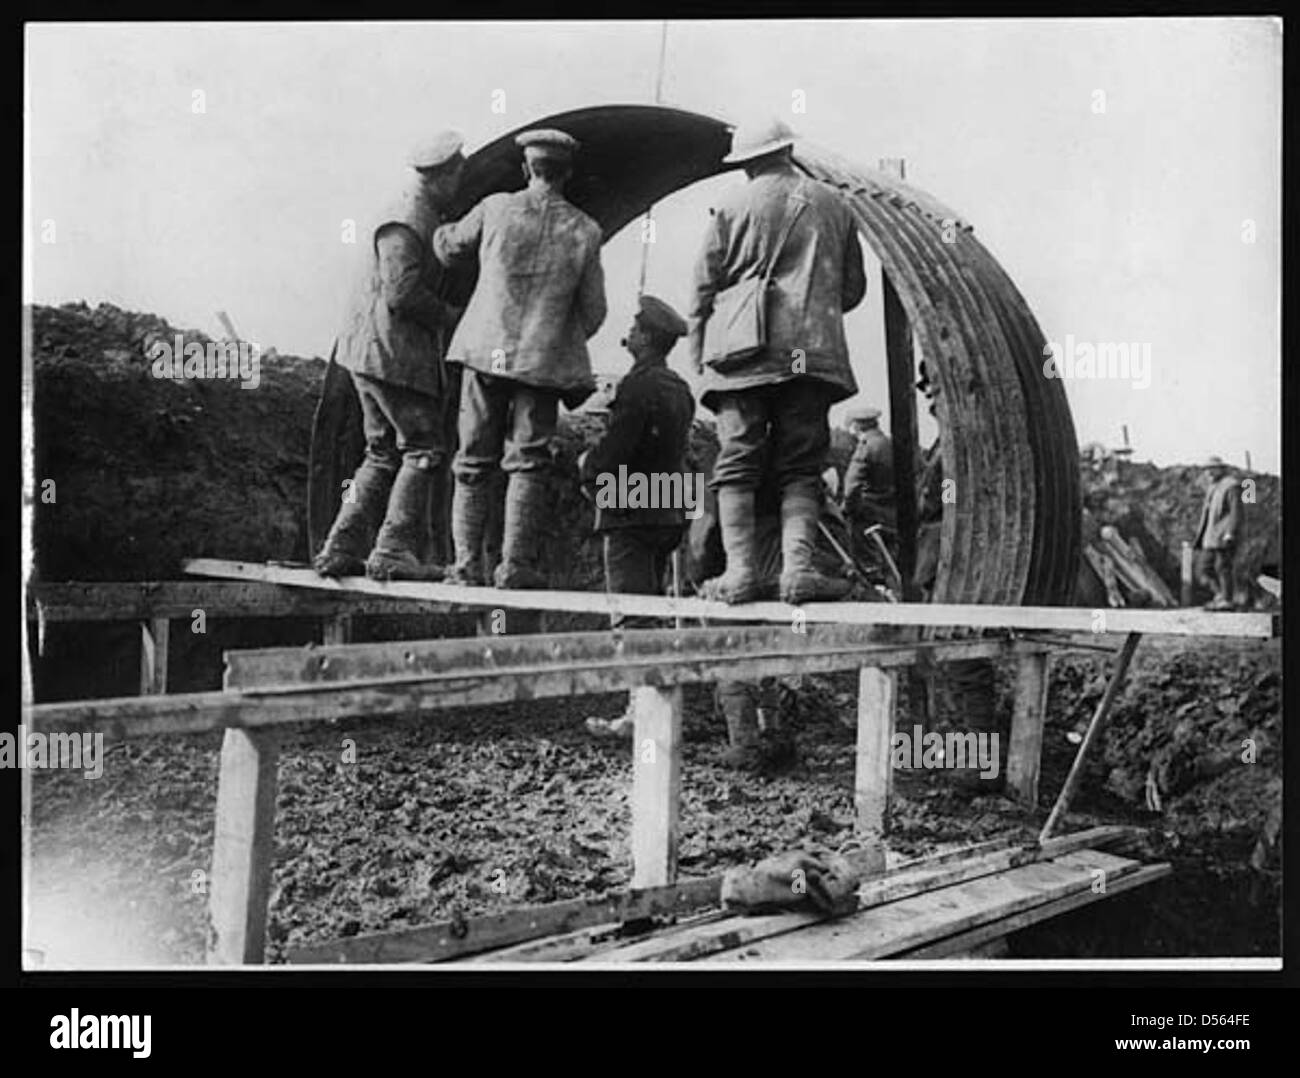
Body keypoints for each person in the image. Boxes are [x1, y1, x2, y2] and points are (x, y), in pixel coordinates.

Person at [687, 118, 866, 606]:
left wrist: (700, 355)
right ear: (788, 151)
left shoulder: (729, 205)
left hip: (740, 357)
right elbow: (851, 291)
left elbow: (703, 288)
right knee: (802, 465)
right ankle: (799, 572)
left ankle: (740, 572)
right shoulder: (835, 205)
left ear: (745, 162)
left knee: (738, 461)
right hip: (812, 355)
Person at [433, 128, 607, 589]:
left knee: (472, 458)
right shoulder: (585, 230)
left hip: (484, 352)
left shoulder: (496, 208)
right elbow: (595, 311)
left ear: (527, 168)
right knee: (528, 460)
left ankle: (466, 566)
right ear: (566, 174)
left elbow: (450, 249)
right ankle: (514, 566)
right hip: (540, 363)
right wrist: (554, 337)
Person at [315, 131, 467, 582]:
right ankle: (392, 549)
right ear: (441, 175)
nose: (459, 184)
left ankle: (339, 547)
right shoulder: (407, 218)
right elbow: (401, 293)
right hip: (391, 356)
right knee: (422, 449)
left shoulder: (413, 211)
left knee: (381, 452)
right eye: (456, 174)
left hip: (370, 353)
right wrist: (450, 316)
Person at [580, 296, 696, 740]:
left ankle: (640, 716)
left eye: (634, 326)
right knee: (652, 611)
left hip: (630, 510)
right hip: (667, 511)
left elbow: (619, 448)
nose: (627, 330)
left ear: (646, 338)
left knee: (629, 615)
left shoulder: (637, 387)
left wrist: (589, 466)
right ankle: (652, 709)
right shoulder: (680, 388)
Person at [1192, 455, 1245, 610]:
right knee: (1203, 570)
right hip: (1210, 537)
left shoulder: (1231, 486)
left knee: (1223, 567)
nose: (1208, 472)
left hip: (1223, 536)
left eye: (1212, 468)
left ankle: (1227, 600)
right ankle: (1221, 594)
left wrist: (1231, 532)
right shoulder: (1213, 487)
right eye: (1207, 469)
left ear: (1221, 469)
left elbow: (1237, 512)